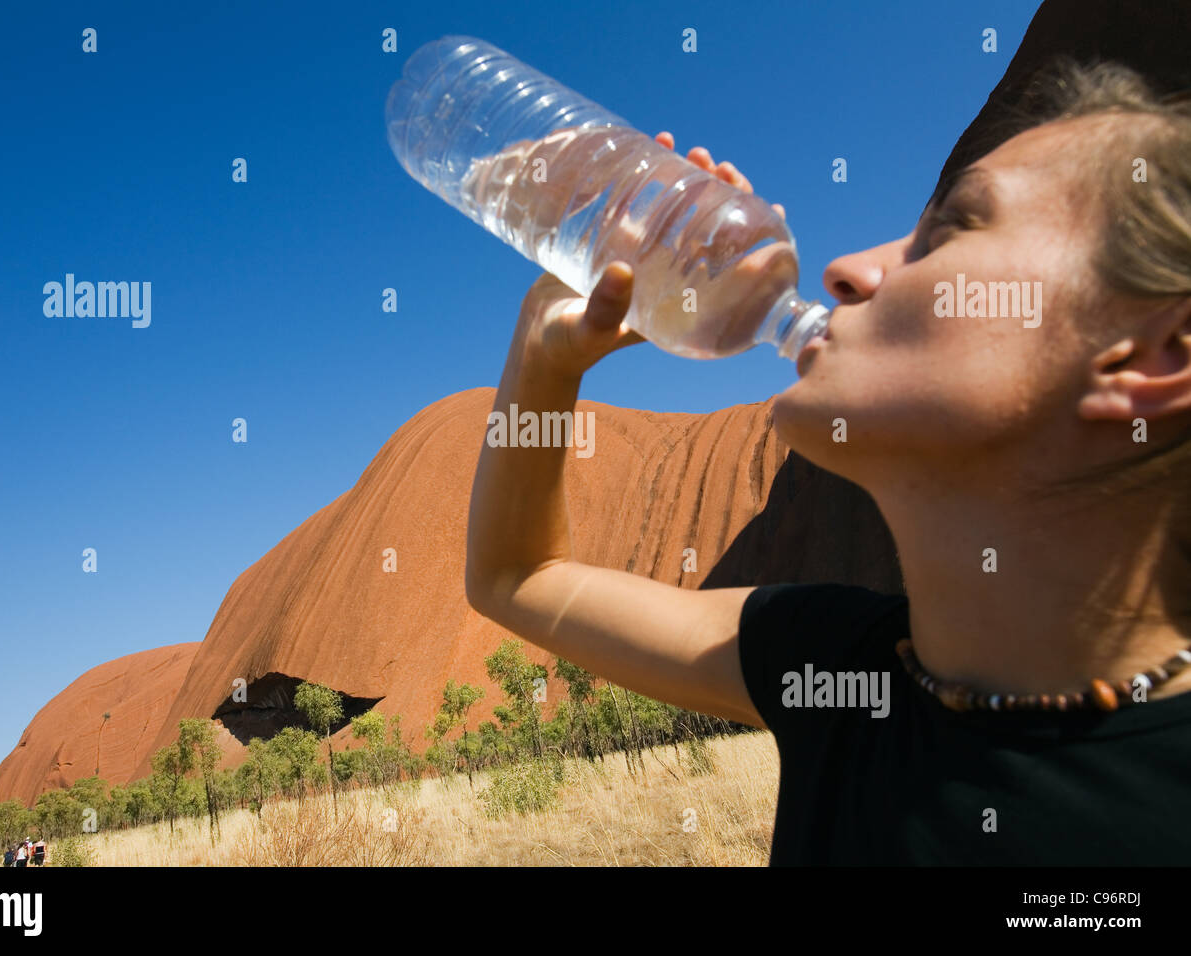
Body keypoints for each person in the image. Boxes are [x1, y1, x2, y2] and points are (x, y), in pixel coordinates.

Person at [464, 52, 1191, 863]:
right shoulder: (840, 670)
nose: (846, 271)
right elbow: (515, 580)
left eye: (950, 230)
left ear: (1153, 357)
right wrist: (544, 355)